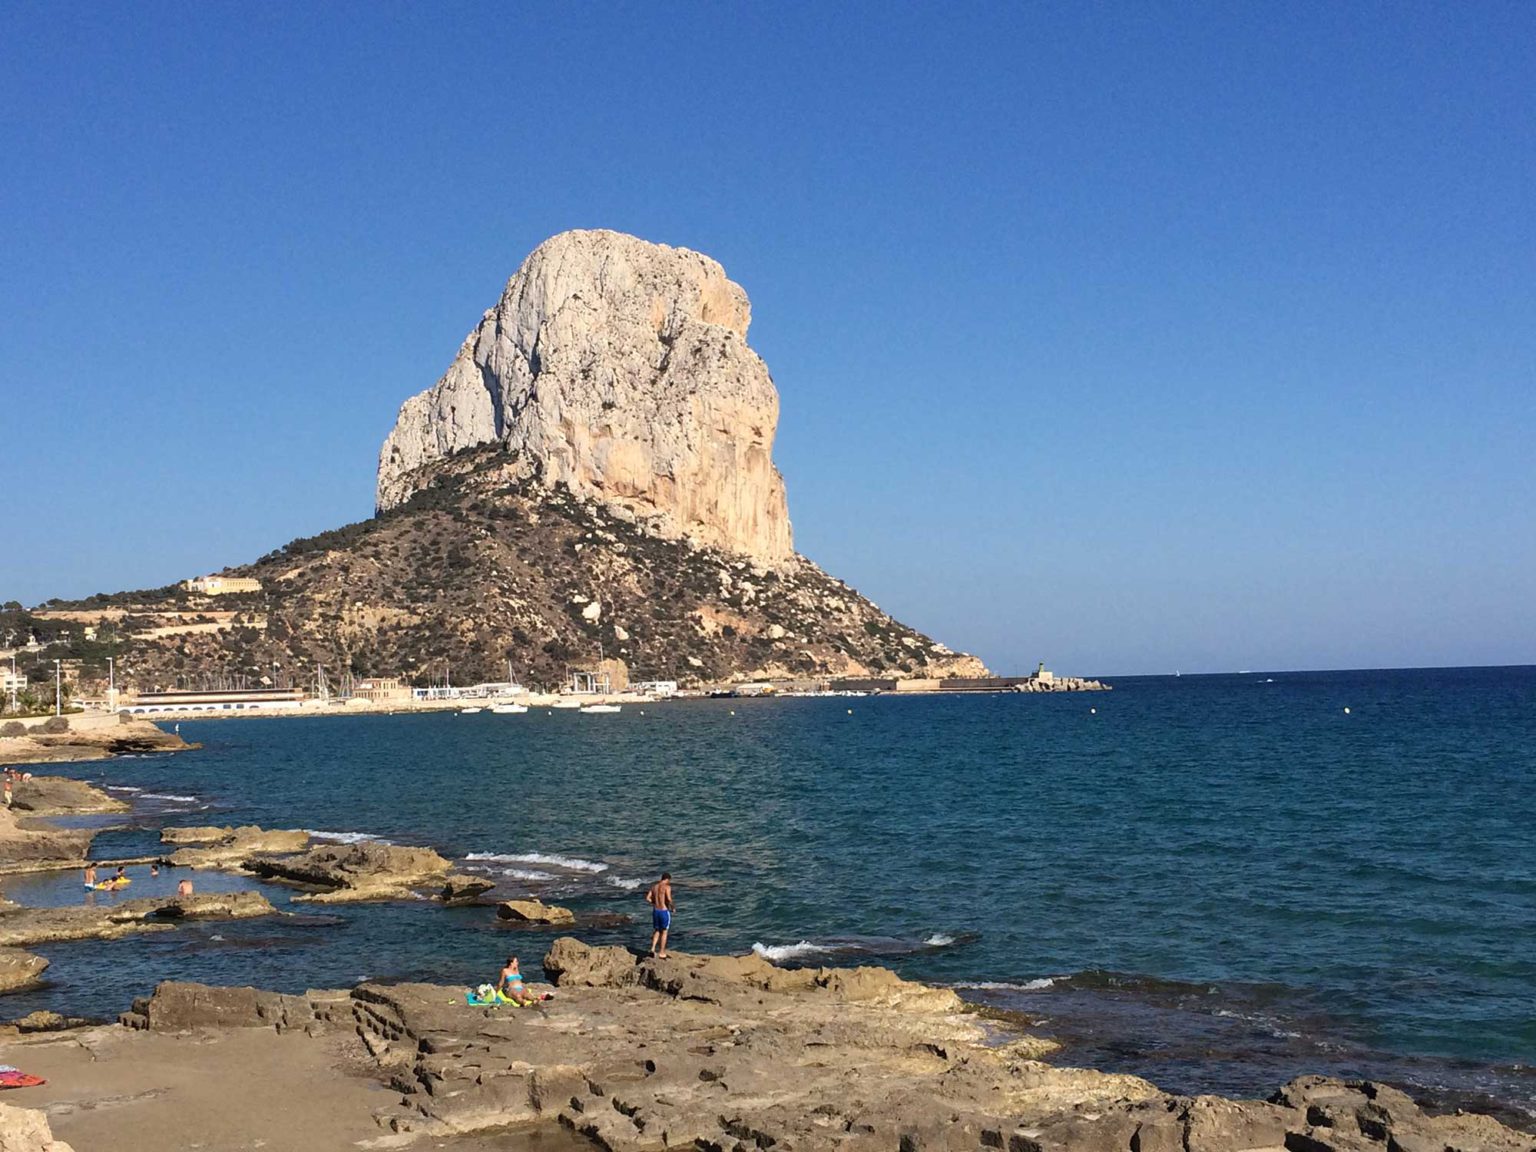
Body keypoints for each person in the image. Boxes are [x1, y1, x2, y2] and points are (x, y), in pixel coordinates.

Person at [645, 872, 675, 958]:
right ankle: (662, 952)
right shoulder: (667, 887)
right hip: (663, 910)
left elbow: (647, 898)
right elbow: (669, 899)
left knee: (657, 930)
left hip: (656, 910)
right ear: (667, 879)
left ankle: (652, 948)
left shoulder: (654, 887)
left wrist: (654, 902)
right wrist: (672, 908)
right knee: (664, 932)